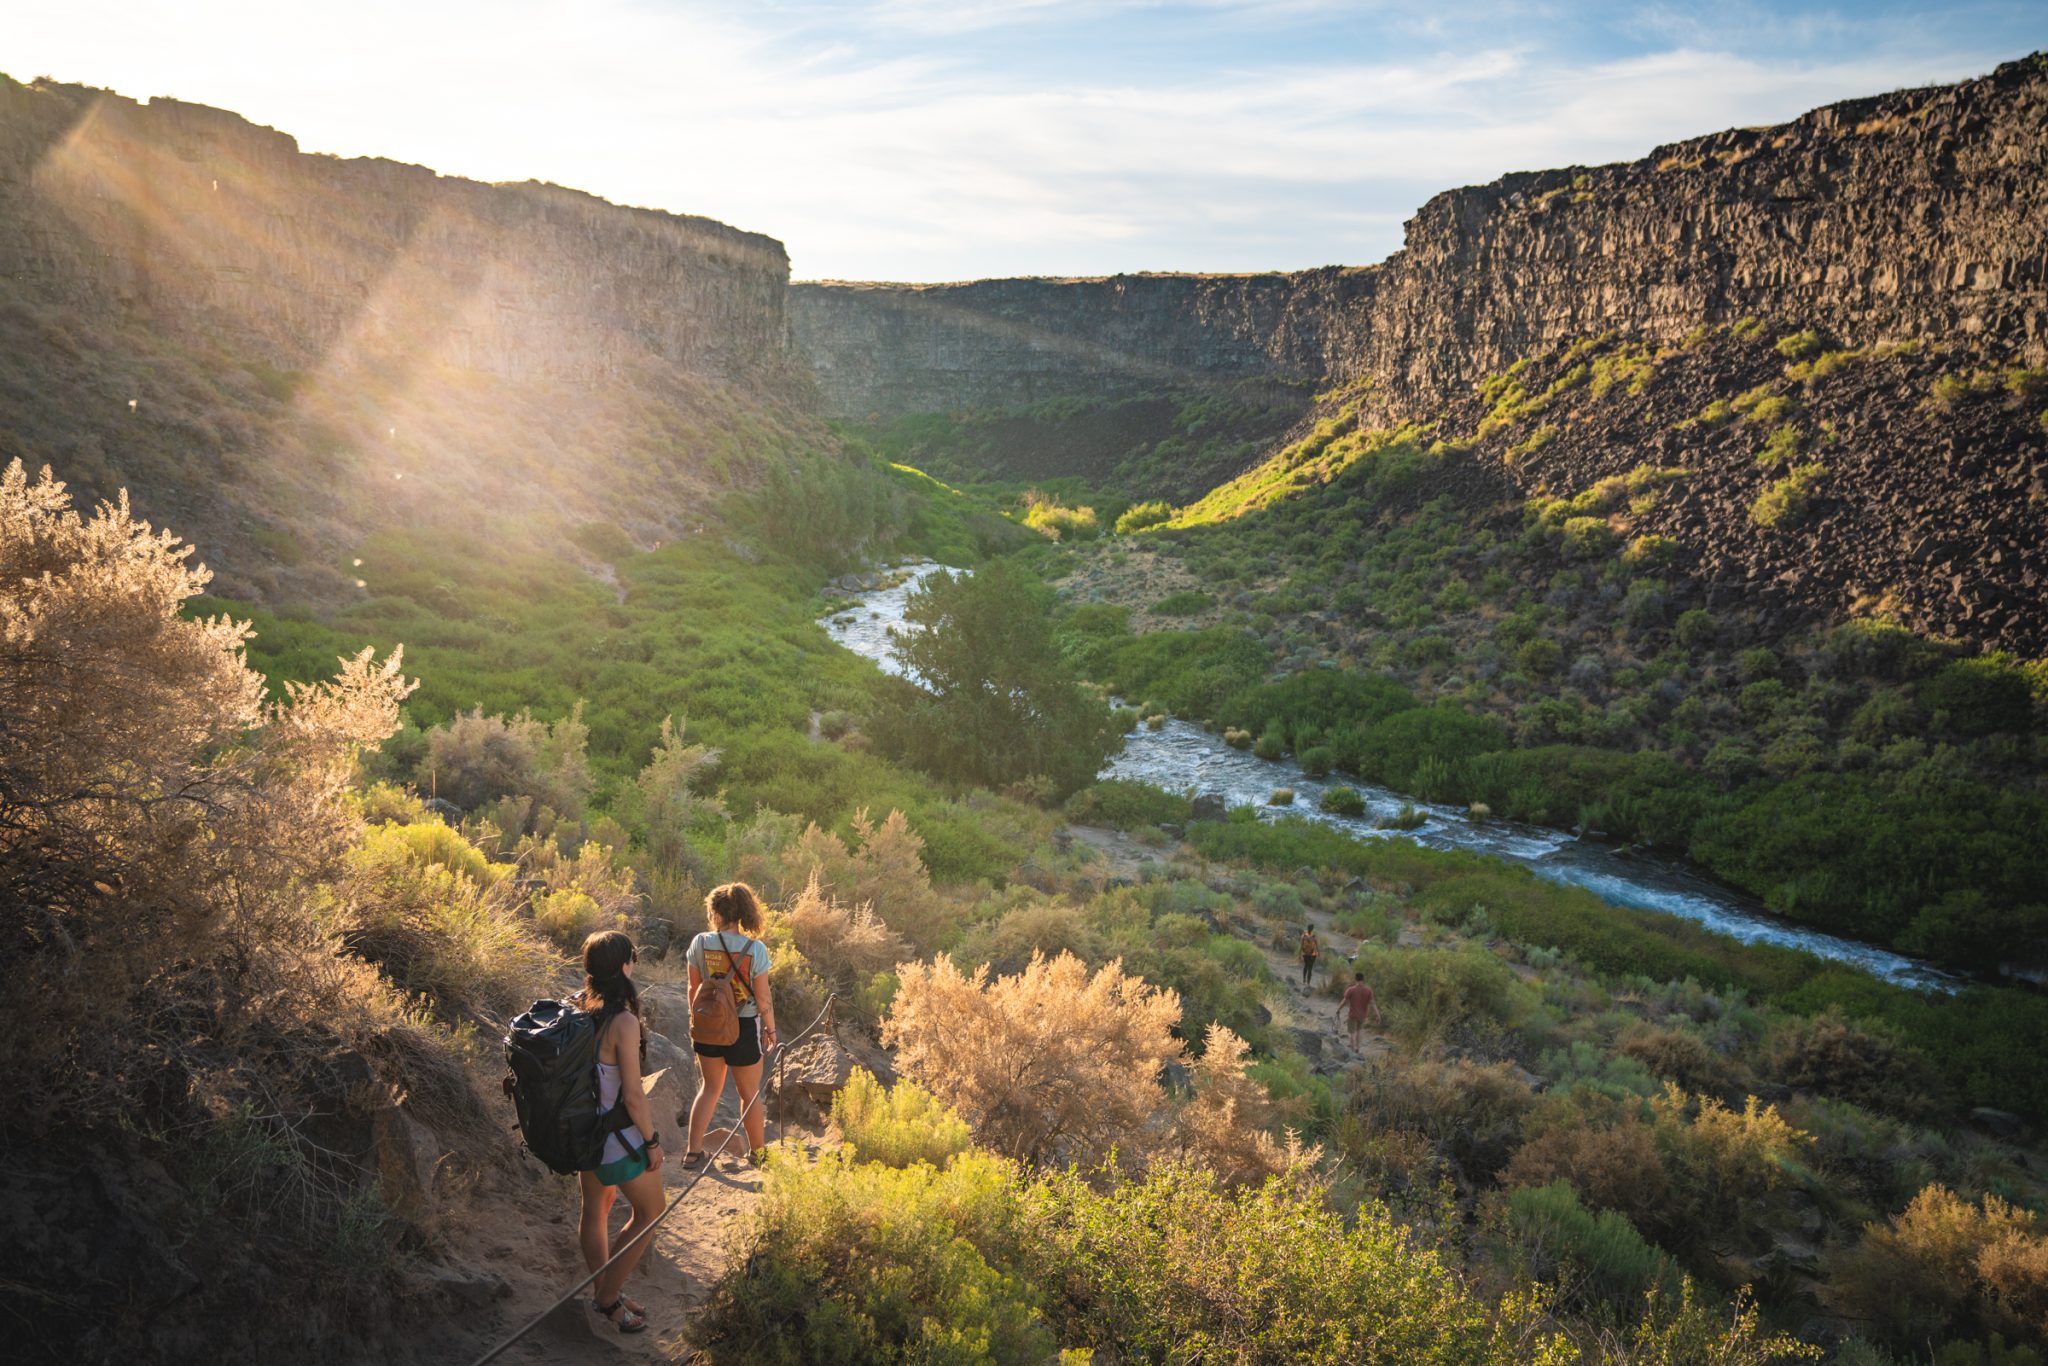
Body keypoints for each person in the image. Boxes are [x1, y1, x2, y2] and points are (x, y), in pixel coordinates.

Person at [575, 929, 667, 1334]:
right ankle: (608, 1297)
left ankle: (606, 1289)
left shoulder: (578, 1008)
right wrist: (651, 1142)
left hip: (581, 1132)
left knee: (595, 1208)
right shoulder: (624, 1022)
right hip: (614, 1138)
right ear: (625, 967)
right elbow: (632, 1095)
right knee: (651, 1211)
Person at [682, 882, 777, 1169]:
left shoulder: (700, 943)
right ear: (743, 913)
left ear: (715, 912)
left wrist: (696, 1021)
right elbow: (762, 998)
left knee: (709, 1088)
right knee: (749, 1094)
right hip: (744, 1027)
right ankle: (758, 1155)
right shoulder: (755, 949)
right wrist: (770, 1030)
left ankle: (693, 1153)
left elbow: (693, 989)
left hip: (708, 1026)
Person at [1335, 970, 1382, 1052]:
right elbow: (1373, 1004)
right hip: (1362, 1015)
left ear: (1355, 979)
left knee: (1351, 1032)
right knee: (1359, 1031)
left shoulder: (1351, 990)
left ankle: (1352, 1049)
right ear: (1363, 979)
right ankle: (1357, 1048)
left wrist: (1338, 1009)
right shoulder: (1368, 990)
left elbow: (1344, 1001)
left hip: (1352, 1015)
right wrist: (1378, 1015)